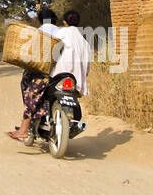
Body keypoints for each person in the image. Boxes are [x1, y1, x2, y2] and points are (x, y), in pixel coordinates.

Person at [7, 7, 60, 140]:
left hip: (41, 71)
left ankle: (24, 129)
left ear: (40, 20)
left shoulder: (40, 31)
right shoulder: (60, 31)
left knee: (30, 93)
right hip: (58, 71)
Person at [51, 10, 91, 95]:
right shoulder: (85, 43)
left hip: (58, 79)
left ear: (64, 22)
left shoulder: (60, 34)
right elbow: (87, 68)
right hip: (77, 84)